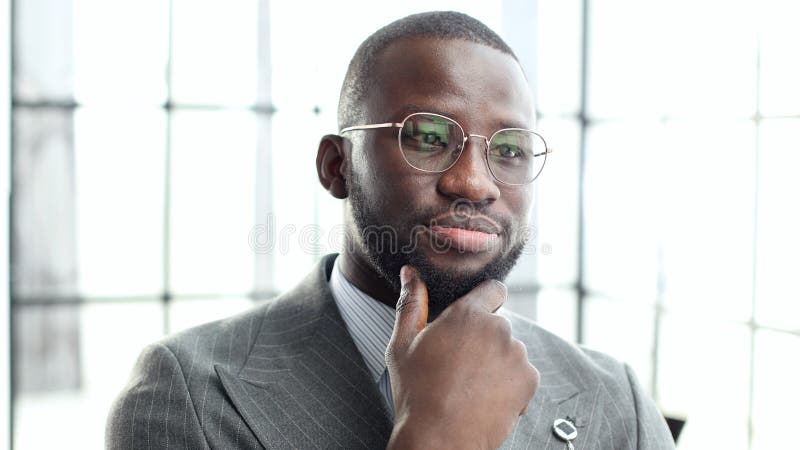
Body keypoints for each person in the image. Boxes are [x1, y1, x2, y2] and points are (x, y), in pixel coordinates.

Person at [107, 11, 675, 449]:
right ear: (337, 166)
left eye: (509, 149)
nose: (475, 183)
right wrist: (438, 435)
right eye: (428, 138)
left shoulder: (614, 400)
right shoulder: (186, 396)